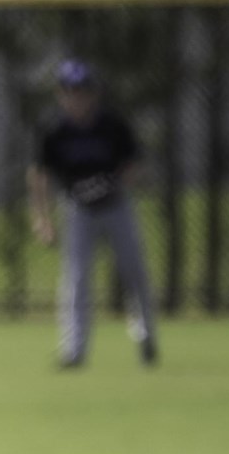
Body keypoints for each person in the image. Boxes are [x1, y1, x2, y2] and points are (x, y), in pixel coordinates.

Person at [29, 59, 159, 368]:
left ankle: (146, 338)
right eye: (70, 91)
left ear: (93, 93)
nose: (76, 97)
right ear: (61, 94)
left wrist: (110, 183)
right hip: (78, 210)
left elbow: (134, 164)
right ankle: (73, 350)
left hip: (116, 206)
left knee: (134, 272)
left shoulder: (111, 125)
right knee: (76, 279)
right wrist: (42, 219)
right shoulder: (55, 130)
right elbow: (39, 174)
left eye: (82, 90)